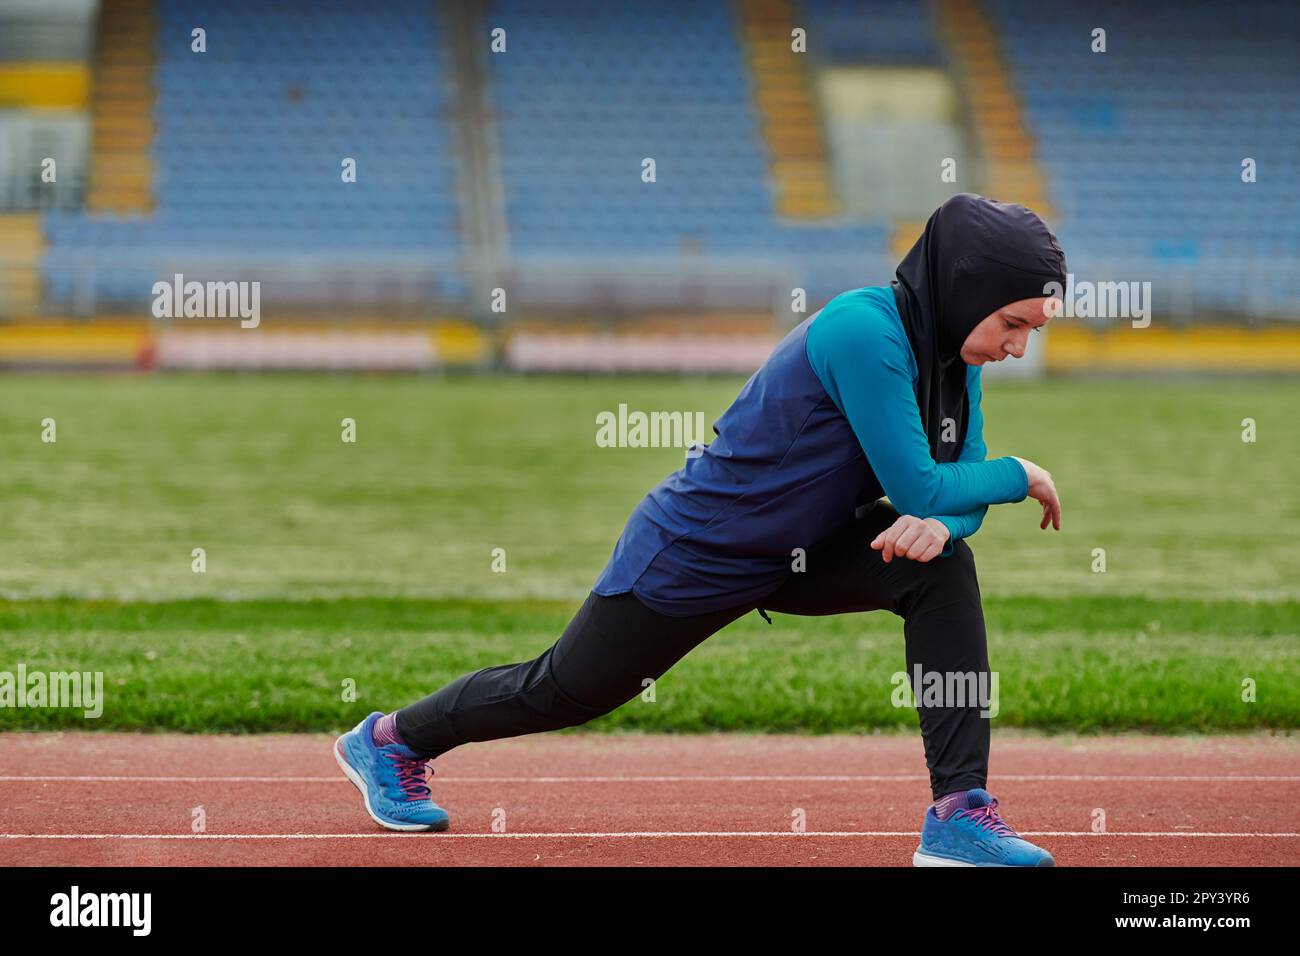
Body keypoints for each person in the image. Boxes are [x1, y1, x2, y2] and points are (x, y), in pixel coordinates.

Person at [335, 193, 1067, 867]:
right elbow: (925, 486)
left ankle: (958, 813)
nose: (1017, 348)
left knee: (940, 568)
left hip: (811, 548)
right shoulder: (863, 329)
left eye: (1030, 331)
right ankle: (389, 740)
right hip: (702, 548)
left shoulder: (954, 357)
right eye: (1012, 325)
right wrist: (1020, 474)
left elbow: (948, 497)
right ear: (966, 290)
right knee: (562, 689)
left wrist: (943, 528)